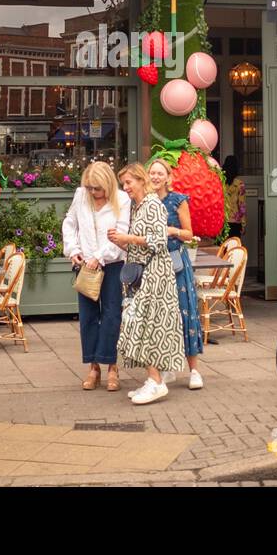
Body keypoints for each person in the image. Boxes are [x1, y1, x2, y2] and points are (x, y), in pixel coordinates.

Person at [109, 163, 186, 405]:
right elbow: (140, 242)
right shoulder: (137, 206)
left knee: (144, 326)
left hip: (155, 274)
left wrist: (127, 238)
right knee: (139, 326)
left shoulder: (152, 204)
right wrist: (120, 242)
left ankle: (156, 382)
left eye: (129, 183)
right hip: (142, 275)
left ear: (141, 181)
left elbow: (158, 240)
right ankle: (153, 379)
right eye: (123, 184)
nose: (126, 188)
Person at [63, 161, 131, 392]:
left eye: (97, 189)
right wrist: (73, 250)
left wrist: (100, 256)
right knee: (88, 316)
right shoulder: (81, 195)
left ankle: (112, 365)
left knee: (112, 314)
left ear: (108, 185)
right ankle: (93, 366)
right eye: (90, 188)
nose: (93, 193)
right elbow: (69, 223)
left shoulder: (121, 199)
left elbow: (121, 234)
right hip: (85, 264)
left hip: (112, 264)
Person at [148, 158, 204, 390]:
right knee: (161, 317)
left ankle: (194, 371)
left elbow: (190, 234)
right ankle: (167, 367)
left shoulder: (178, 200)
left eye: (160, 173)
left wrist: (172, 230)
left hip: (177, 264)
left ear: (168, 177)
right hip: (155, 265)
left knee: (185, 311)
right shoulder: (146, 202)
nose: (155, 177)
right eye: (152, 173)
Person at [222, 155, 247, 240]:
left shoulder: (220, 183)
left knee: (222, 249)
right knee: (234, 249)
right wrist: (243, 224)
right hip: (235, 222)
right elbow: (242, 206)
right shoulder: (240, 185)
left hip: (222, 221)